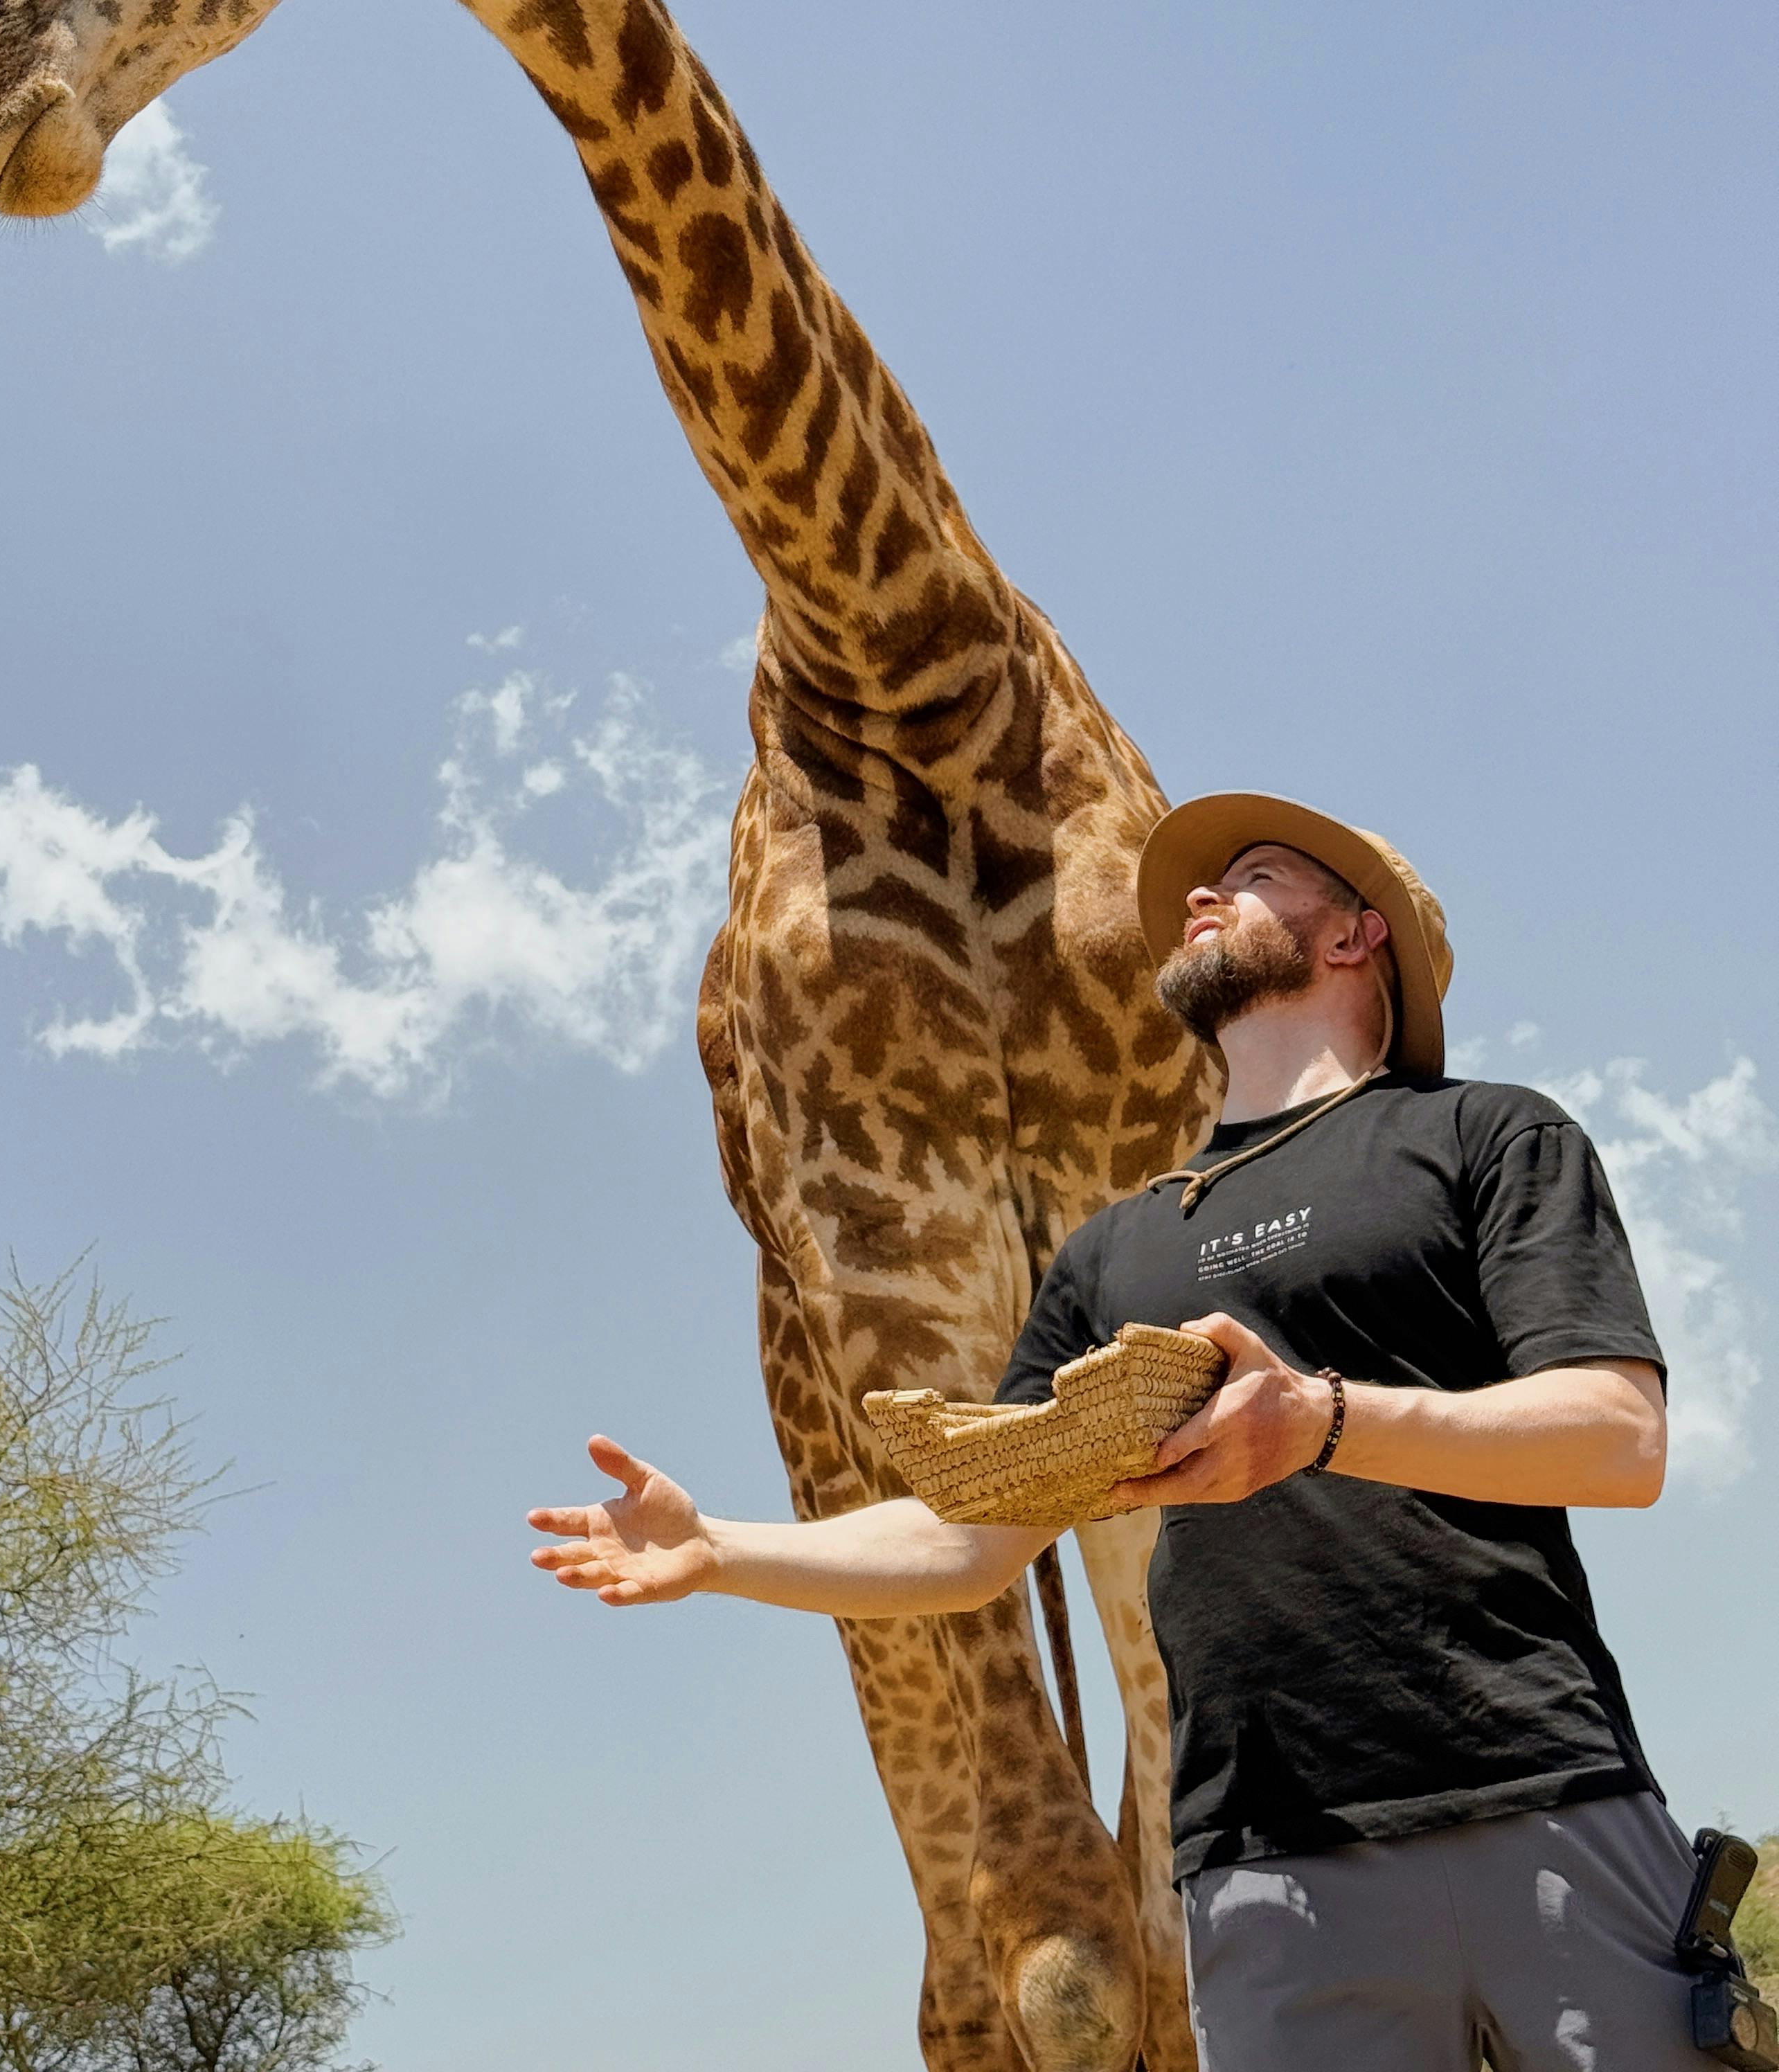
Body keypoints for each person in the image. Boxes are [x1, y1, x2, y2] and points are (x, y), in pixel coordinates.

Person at [528, 792, 1710, 2071]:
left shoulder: (1485, 1135)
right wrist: (719, 1551)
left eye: (1255, 876)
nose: (1201, 896)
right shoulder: (1116, 1252)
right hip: (1266, 1870)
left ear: (1355, 935)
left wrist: (1322, 1423)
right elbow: (973, 1542)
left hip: (1546, 1797)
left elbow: (1618, 1439)